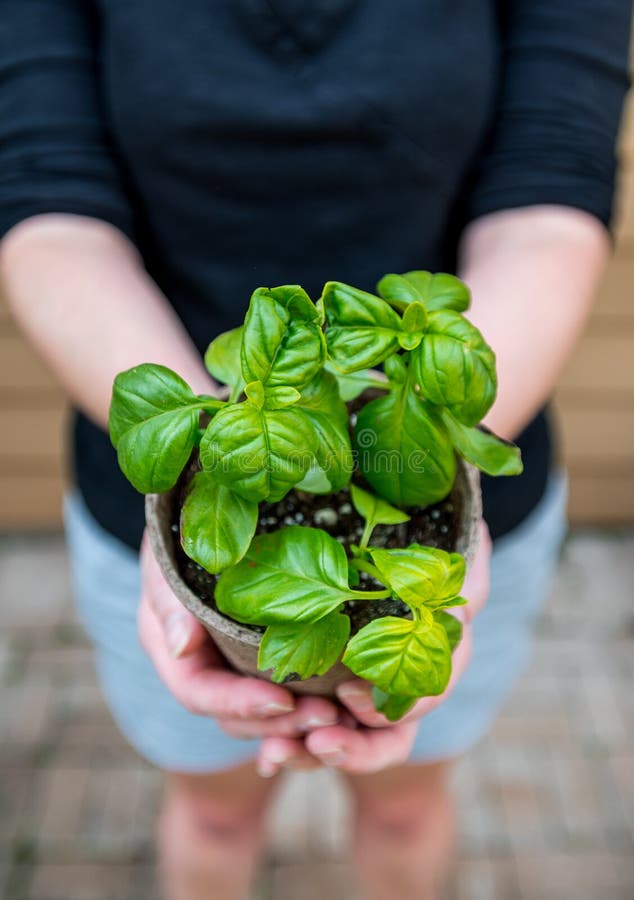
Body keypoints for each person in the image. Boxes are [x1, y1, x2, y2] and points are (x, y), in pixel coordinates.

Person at [0, 2, 631, 898]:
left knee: (408, 807)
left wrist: (444, 442)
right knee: (213, 813)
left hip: (461, 462)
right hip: (151, 484)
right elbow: (47, 196)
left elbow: (552, 183)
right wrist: (212, 444)